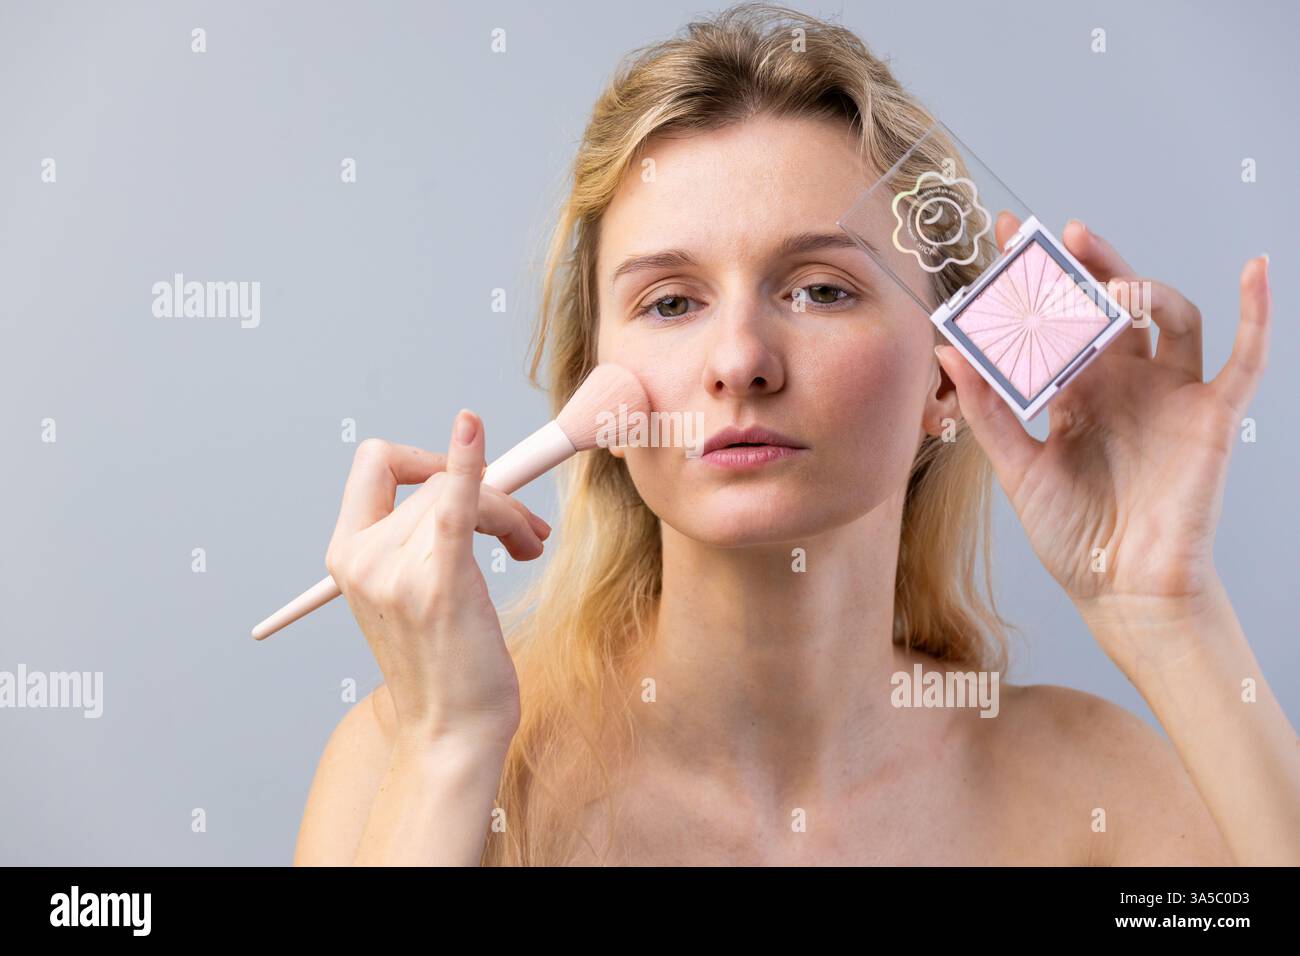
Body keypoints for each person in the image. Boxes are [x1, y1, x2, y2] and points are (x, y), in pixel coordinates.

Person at [292, 3, 1294, 866]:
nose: (741, 358)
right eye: (673, 301)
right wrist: (452, 746)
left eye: (821, 288)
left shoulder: (1097, 790)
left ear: (948, 383)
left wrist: (1169, 611)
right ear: (592, 387)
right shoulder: (414, 752)